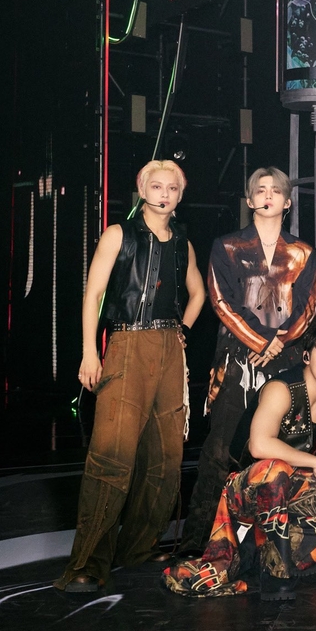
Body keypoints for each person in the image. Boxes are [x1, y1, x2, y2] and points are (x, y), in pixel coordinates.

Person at [55, 160, 206, 593]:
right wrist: (90, 352)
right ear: (142, 190)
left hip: (169, 350)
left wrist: (183, 330)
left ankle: (139, 546)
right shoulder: (118, 234)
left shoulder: (183, 243)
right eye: (156, 186)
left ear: (180, 195)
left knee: (165, 457)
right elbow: (93, 295)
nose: (164, 194)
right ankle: (87, 562)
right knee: (112, 454)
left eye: (172, 188)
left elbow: (197, 293)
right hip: (126, 344)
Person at [163, 322, 316, 600]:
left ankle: (285, 551)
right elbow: (259, 445)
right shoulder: (282, 388)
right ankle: (275, 571)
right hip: (247, 493)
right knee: (276, 469)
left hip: (293, 491)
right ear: (307, 356)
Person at [177, 167, 316, 557]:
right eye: (261, 189)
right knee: (220, 451)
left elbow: (309, 306)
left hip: (287, 360)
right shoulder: (226, 246)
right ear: (250, 199)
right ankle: (198, 546)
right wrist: (260, 340)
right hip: (237, 359)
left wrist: (278, 341)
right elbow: (221, 300)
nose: (268, 195)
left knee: (283, 450)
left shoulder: (304, 252)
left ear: (288, 202)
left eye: (276, 190)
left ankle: (274, 546)